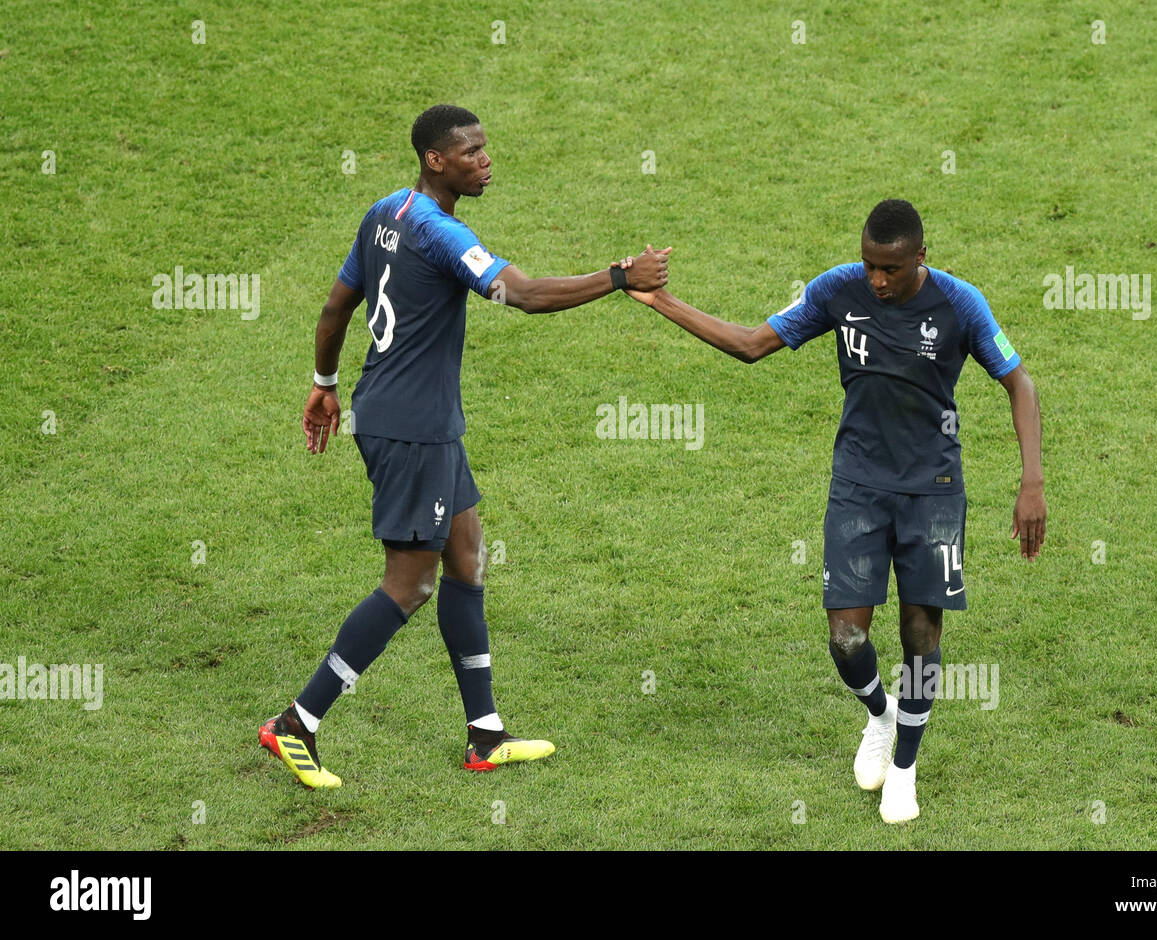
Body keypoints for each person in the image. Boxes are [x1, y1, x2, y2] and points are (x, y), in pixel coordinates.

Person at [259, 104, 670, 788]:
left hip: (411, 418)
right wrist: (620, 277)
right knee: (410, 582)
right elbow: (526, 295)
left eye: (485, 149)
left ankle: (485, 735)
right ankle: (296, 724)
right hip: (412, 429)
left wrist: (324, 382)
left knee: (467, 553)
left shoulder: (384, 212)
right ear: (435, 160)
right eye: (472, 151)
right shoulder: (442, 235)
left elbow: (337, 307)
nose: (486, 159)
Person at [624, 200, 1044, 822]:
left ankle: (905, 766)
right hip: (858, 486)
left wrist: (1031, 479)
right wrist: (661, 302)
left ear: (921, 258)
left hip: (934, 489)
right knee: (847, 639)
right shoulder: (836, 290)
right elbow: (749, 344)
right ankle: (880, 715)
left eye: (891, 270)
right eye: (871, 265)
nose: (878, 280)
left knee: (921, 636)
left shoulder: (960, 304)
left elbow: (1020, 382)